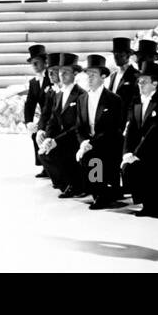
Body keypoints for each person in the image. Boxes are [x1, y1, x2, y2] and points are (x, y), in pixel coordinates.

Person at [121, 62, 158, 217]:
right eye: (139, 82)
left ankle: (156, 205)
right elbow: (131, 128)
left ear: (155, 83)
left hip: (157, 149)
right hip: (139, 149)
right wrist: (127, 152)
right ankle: (146, 203)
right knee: (129, 169)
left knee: (149, 169)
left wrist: (136, 153)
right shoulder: (136, 101)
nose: (140, 84)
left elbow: (155, 131)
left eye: (144, 81)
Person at [75, 54, 124, 209]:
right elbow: (79, 126)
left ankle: (102, 194)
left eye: (93, 75)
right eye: (87, 75)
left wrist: (91, 144)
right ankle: (97, 191)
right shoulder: (82, 99)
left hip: (108, 144)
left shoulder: (114, 99)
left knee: (94, 158)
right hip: (89, 143)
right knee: (87, 156)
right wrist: (83, 141)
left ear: (103, 76)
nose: (89, 78)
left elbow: (115, 128)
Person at [35, 52, 83, 198]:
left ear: (75, 73)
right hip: (60, 138)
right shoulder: (59, 94)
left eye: (66, 72)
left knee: (59, 152)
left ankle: (77, 185)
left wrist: (57, 140)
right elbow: (53, 120)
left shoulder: (81, 95)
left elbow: (78, 125)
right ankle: (65, 184)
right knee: (43, 152)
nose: (62, 75)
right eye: (60, 72)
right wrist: (48, 138)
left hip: (74, 138)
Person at [23, 44, 51, 176]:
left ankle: (51, 166)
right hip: (44, 117)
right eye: (32, 63)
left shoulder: (51, 77)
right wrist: (28, 122)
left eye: (37, 62)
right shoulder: (33, 82)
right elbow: (29, 104)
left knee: (44, 133)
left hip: (55, 115)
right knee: (35, 134)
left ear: (45, 62)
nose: (34, 65)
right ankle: (44, 166)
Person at [107, 37, 139, 120]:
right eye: (115, 54)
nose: (116, 57)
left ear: (128, 55)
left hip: (125, 118)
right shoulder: (113, 76)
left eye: (120, 54)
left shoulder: (135, 75)